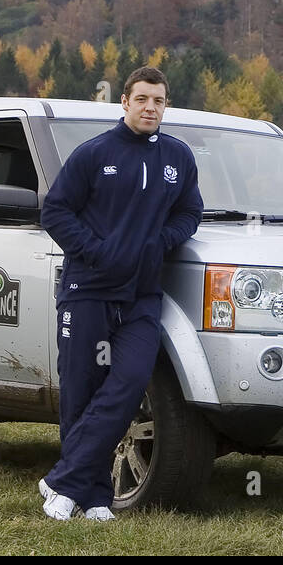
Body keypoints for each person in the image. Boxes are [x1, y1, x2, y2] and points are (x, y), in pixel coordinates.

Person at [37, 66, 203, 520]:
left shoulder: (178, 158)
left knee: (129, 382)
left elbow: (191, 211)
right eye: (143, 99)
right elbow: (54, 211)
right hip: (87, 289)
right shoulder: (94, 154)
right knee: (81, 391)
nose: (151, 108)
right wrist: (96, 251)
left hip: (143, 295)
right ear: (125, 102)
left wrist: (163, 240)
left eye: (159, 101)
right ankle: (91, 497)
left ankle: (61, 481)